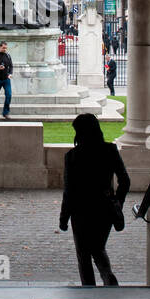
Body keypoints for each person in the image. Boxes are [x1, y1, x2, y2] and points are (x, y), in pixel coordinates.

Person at [59, 113, 131, 286]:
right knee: (98, 248)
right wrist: (118, 202)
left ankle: (89, 289)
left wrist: (64, 218)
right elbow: (125, 180)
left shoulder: (72, 156)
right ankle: (108, 277)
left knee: (83, 255)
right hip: (104, 208)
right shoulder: (110, 151)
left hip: (80, 210)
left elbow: (69, 191)